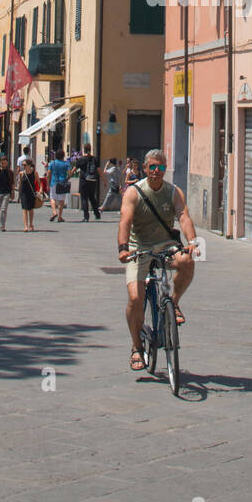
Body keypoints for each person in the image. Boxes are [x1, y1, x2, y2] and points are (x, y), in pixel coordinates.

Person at [118, 149, 199, 373]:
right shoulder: (134, 192)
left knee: (187, 261)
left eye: (161, 168)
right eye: (152, 167)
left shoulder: (174, 192)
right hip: (138, 248)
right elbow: (125, 220)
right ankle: (136, 347)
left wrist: (192, 241)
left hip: (165, 246)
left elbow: (183, 216)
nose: (156, 171)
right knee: (135, 297)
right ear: (145, 168)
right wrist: (123, 248)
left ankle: (173, 301)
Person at [74, 143, 102, 220]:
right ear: (90, 149)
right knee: (92, 197)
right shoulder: (95, 159)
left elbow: (74, 170)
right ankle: (97, 214)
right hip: (93, 180)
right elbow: (99, 171)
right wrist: (104, 180)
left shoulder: (81, 159)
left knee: (84, 198)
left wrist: (68, 177)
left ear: (84, 150)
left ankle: (86, 216)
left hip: (84, 181)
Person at [47, 144, 72, 222]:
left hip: (54, 182)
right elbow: (70, 173)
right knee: (61, 200)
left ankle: (54, 212)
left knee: (52, 198)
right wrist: (67, 178)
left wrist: (48, 184)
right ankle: (60, 217)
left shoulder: (52, 163)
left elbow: (48, 174)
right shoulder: (66, 163)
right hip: (62, 183)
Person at [0, 155, 14, 231]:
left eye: (5, 163)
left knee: (3, 209)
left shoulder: (10, 172)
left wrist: (13, 192)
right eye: (2, 163)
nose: (3, 164)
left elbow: (12, 183)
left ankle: (2, 225)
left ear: (7, 163)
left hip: (6, 192)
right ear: (0, 163)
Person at [18, 157, 38, 231]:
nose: (23, 166)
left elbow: (39, 183)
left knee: (31, 209)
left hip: (31, 193)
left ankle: (31, 224)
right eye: (23, 165)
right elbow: (20, 184)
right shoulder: (21, 174)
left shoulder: (34, 173)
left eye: (25, 165)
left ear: (29, 165)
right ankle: (26, 226)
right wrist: (19, 196)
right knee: (24, 209)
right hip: (23, 193)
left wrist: (41, 190)